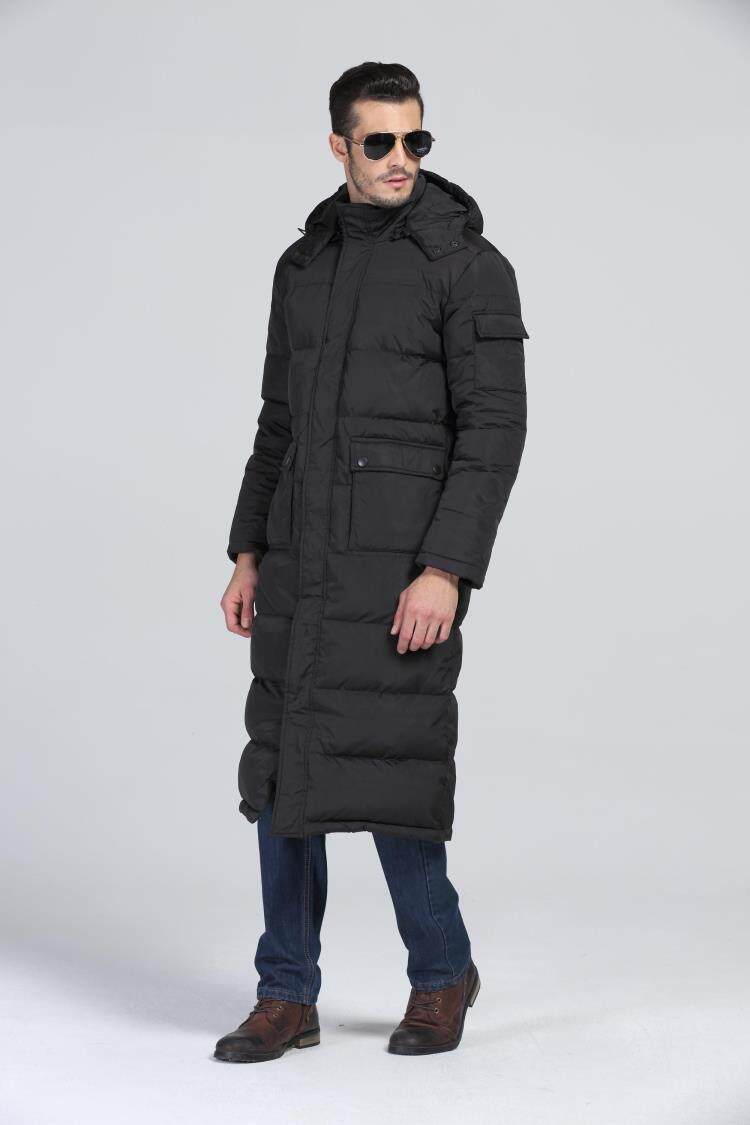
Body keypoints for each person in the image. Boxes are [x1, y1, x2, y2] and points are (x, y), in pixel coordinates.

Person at [215, 61, 529, 1062]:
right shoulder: (302, 265)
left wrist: (447, 568)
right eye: (381, 141)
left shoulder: (468, 265)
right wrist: (248, 548)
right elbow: (278, 421)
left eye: (415, 140)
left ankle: (441, 974)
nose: (402, 159)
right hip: (299, 563)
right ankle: (285, 993)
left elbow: (494, 432)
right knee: (283, 779)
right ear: (340, 146)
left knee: (392, 767)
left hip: (398, 567)